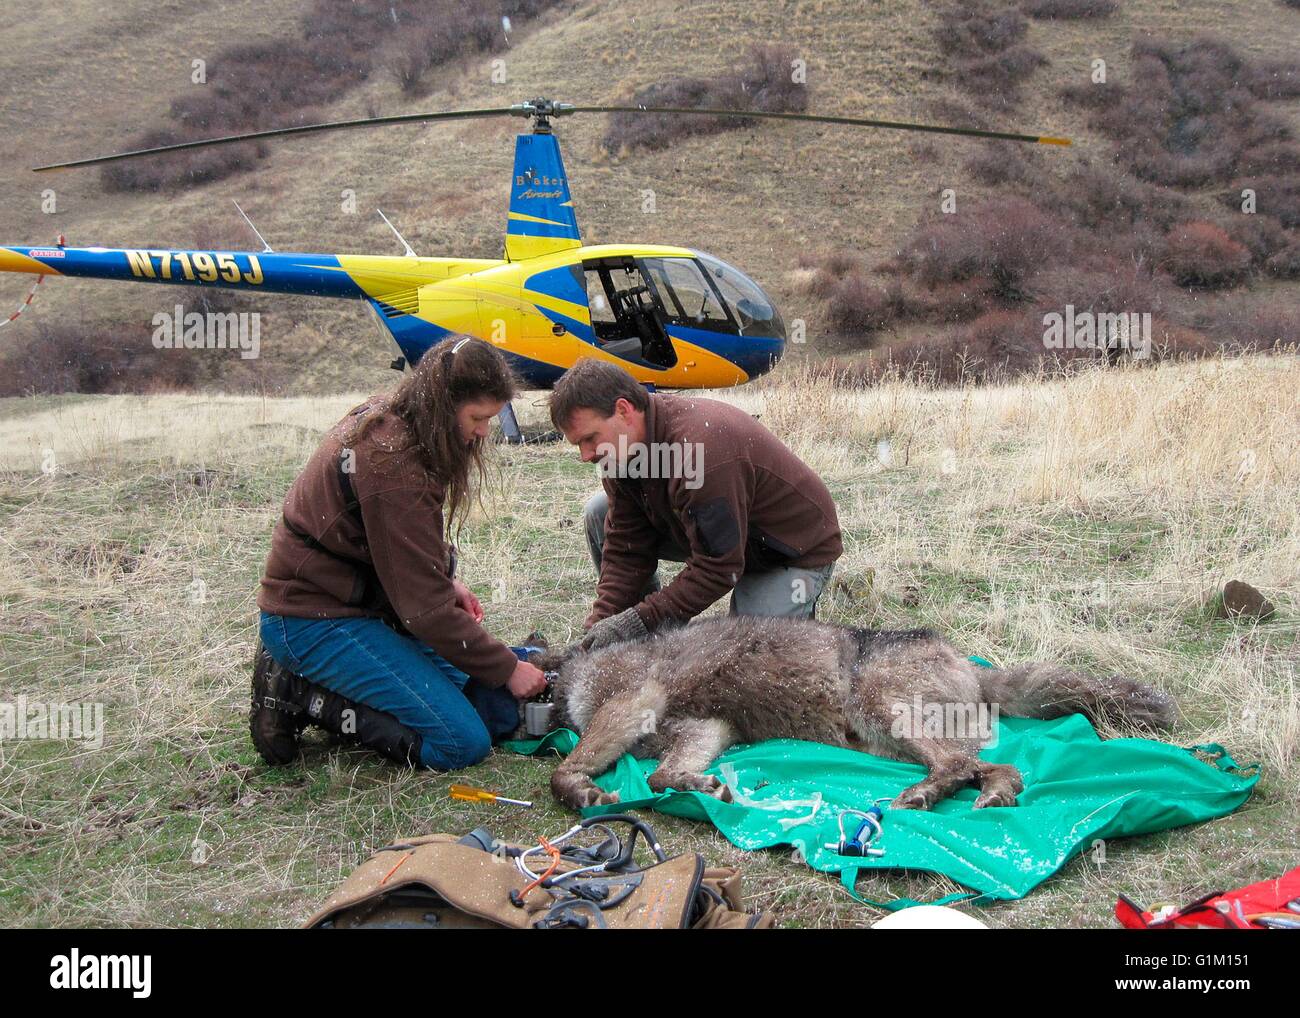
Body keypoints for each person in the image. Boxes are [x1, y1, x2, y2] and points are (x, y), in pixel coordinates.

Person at [253, 336, 547, 769]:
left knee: (469, 687)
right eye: (478, 417)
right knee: (461, 742)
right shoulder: (390, 460)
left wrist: (444, 578)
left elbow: (394, 537)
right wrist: (507, 668)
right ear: (445, 406)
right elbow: (424, 611)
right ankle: (299, 691)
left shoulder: (404, 420)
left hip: (362, 604)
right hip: (313, 618)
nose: (485, 430)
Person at [548, 358, 843, 650]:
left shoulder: (701, 452)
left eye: (589, 439)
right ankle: (642, 647)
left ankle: (650, 634)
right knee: (599, 512)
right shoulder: (619, 453)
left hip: (785, 549)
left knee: (748, 664)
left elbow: (718, 569)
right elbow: (627, 547)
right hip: (716, 534)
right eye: (578, 445)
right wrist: (601, 626)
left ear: (623, 410)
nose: (586, 455)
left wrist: (641, 619)